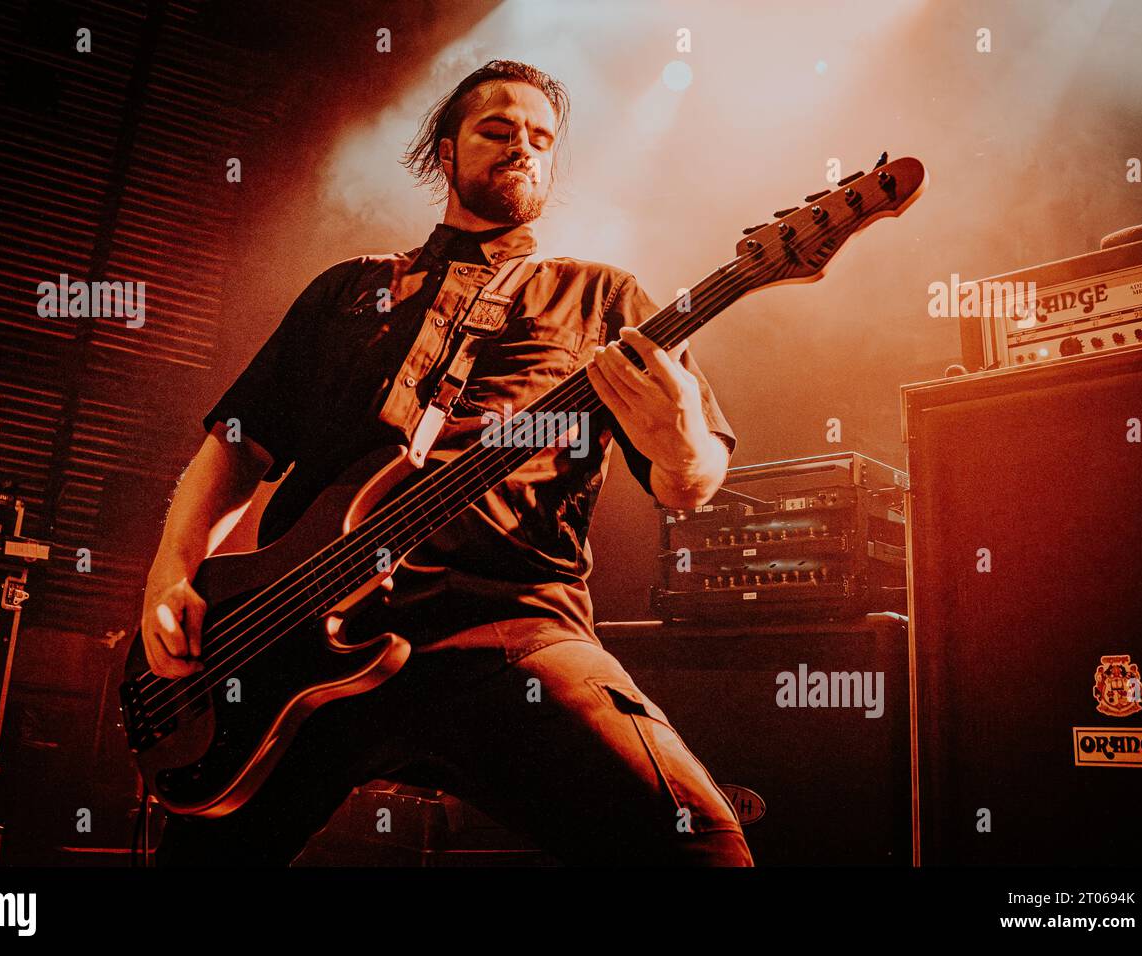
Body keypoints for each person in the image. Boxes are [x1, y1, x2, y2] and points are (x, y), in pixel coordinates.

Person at [142, 59, 752, 866]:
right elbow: (235, 444)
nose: (523, 148)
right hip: (290, 641)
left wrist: (679, 441)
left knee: (699, 847)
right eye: (498, 130)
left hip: (510, 633)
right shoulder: (348, 292)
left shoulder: (603, 299)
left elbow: (690, 484)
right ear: (445, 151)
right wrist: (170, 575)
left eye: (541, 138)